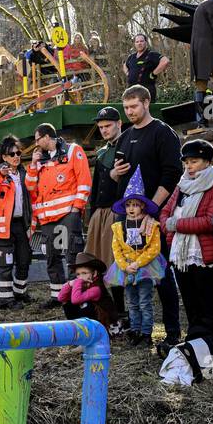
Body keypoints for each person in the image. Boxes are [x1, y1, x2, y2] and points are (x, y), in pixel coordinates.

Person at [112, 85, 184, 343]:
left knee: (161, 274)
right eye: (126, 108)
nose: (130, 112)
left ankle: (172, 332)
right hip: (127, 217)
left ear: (147, 103)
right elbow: (115, 173)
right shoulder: (125, 135)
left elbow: (172, 174)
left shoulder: (163, 133)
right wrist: (114, 173)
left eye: (134, 106)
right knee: (130, 272)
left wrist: (151, 211)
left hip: (153, 217)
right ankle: (139, 328)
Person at [160, 139, 213, 369]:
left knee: (207, 307)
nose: (189, 166)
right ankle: (194, 349)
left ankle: (211, 352)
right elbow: (164, 215)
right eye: (187, 162)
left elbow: (211, 222)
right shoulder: (181, 187)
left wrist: (176, 224)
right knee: (190, 305)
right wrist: (171, 226)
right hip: (181, 256)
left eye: (195, 161)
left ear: (207, 162)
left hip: (204, 256)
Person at [26, 122, 91, 303]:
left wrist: (76, 208)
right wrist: (32, 164)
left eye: (38, 139)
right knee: (52, 256)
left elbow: (84, 180)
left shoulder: (72, 151)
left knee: (72, 254)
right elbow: (30, 186)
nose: (36, 143)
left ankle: (76, 295)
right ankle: (58, 296)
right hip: (48, 219)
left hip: (67, 215)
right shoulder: (41, 159)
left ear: (47, 137)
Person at [110, 172, 165, 346]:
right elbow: (116, 248)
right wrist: (124, 266)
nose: (131, 208)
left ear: (142, 206)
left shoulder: (151, 226)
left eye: (135, 204)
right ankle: (134, 329)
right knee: (131, 302)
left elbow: (154, 248)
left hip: (145, 267)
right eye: (128, 205)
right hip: (126, 268)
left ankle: (146, 332)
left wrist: (137, 263)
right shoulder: (119, 227)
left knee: (144, 301)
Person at [0, 135, 34, 308]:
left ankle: (20, 293)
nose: (16, 156)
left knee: (24, 258)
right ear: (4, 157)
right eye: (11, 154)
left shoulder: (23, 173)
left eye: (18, 153)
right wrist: (0, 174)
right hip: (3, 227)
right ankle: (6, 299)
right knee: (5, 263)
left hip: (21, 224)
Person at [86, 107, 124, 306]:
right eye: (101, 127)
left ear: (119, 124)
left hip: (116, 210)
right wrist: (92, 215)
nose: (104, 130)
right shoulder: (102, 153)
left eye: (108, 126)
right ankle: (105, 308)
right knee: (97, 261)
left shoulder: (127, 147)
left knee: (114, 261)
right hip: (100, 212)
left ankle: (120, 308)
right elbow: (96, 188)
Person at [57, 252, 117, 329]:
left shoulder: (96, 289)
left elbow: (76, 299)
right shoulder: (81, 284)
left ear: (94, 273)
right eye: (78, 274)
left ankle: (87, 328)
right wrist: (69, 284)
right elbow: (61, 298)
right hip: (86, 318)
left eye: (84, 273)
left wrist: (77, 282)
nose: (80, 277)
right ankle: (76, 325)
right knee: (67, 302)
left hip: (101, 322)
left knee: (86, 305)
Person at [123, 34, 169, 103]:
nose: (139, 43)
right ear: (135, 44)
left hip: (146, 91)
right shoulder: (131, 57)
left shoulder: (151, 55)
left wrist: (153, 73)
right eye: (137, 42)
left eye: (141, 41)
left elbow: (165, 61)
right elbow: (124, 65)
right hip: (131, 90)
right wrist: (128, 73)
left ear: (146, 42)